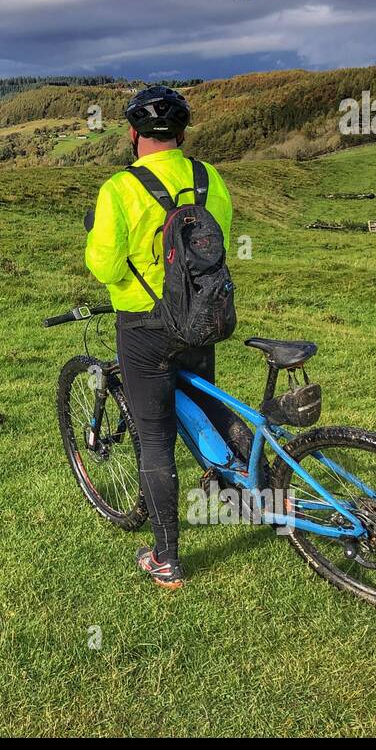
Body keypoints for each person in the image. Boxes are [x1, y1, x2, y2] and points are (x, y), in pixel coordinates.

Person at [84, 85, 238, 590]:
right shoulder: (209, 178)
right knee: (208, 405)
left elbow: (103, 263)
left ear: (133, 135)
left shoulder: (119, 189)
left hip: (144, 326)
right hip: (200, 317)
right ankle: (237, 485)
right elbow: (217, 243)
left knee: (155, 438)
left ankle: (167, 557)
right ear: (183, 134)